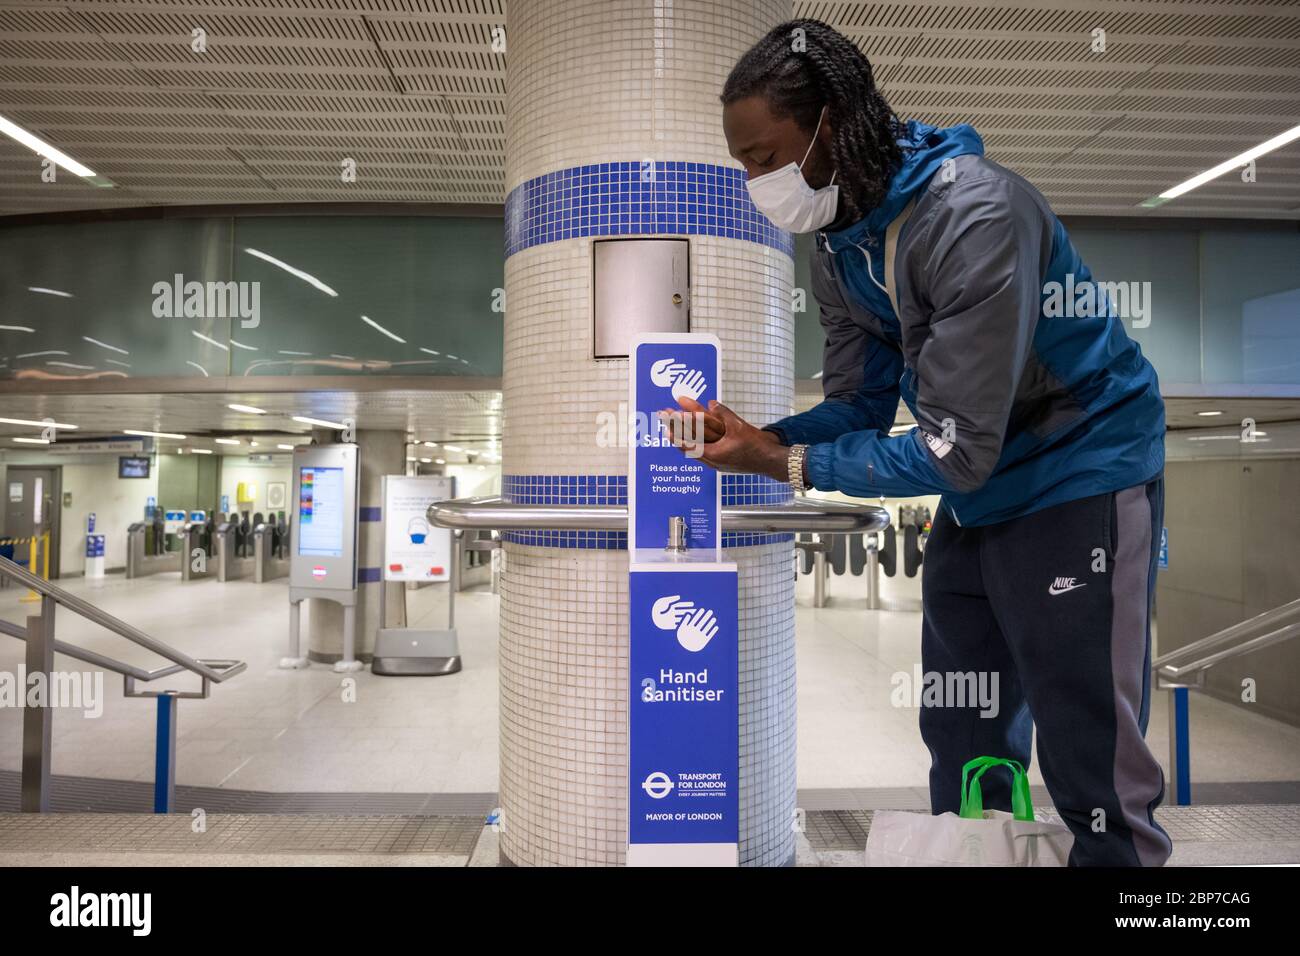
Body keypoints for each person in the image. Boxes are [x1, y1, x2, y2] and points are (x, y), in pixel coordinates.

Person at [667, 18, 1171, 866]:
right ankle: (983, 851)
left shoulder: (975, 215)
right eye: (744, 163)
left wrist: (780, 462)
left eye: (764, 157)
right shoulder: (840, 248)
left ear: (833, 123)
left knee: (1087, 738)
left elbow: (953, 450)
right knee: (964, 723)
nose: (756, 181)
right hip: (983, 491)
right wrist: (762, 438)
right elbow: (860, 408)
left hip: (1082, 467)